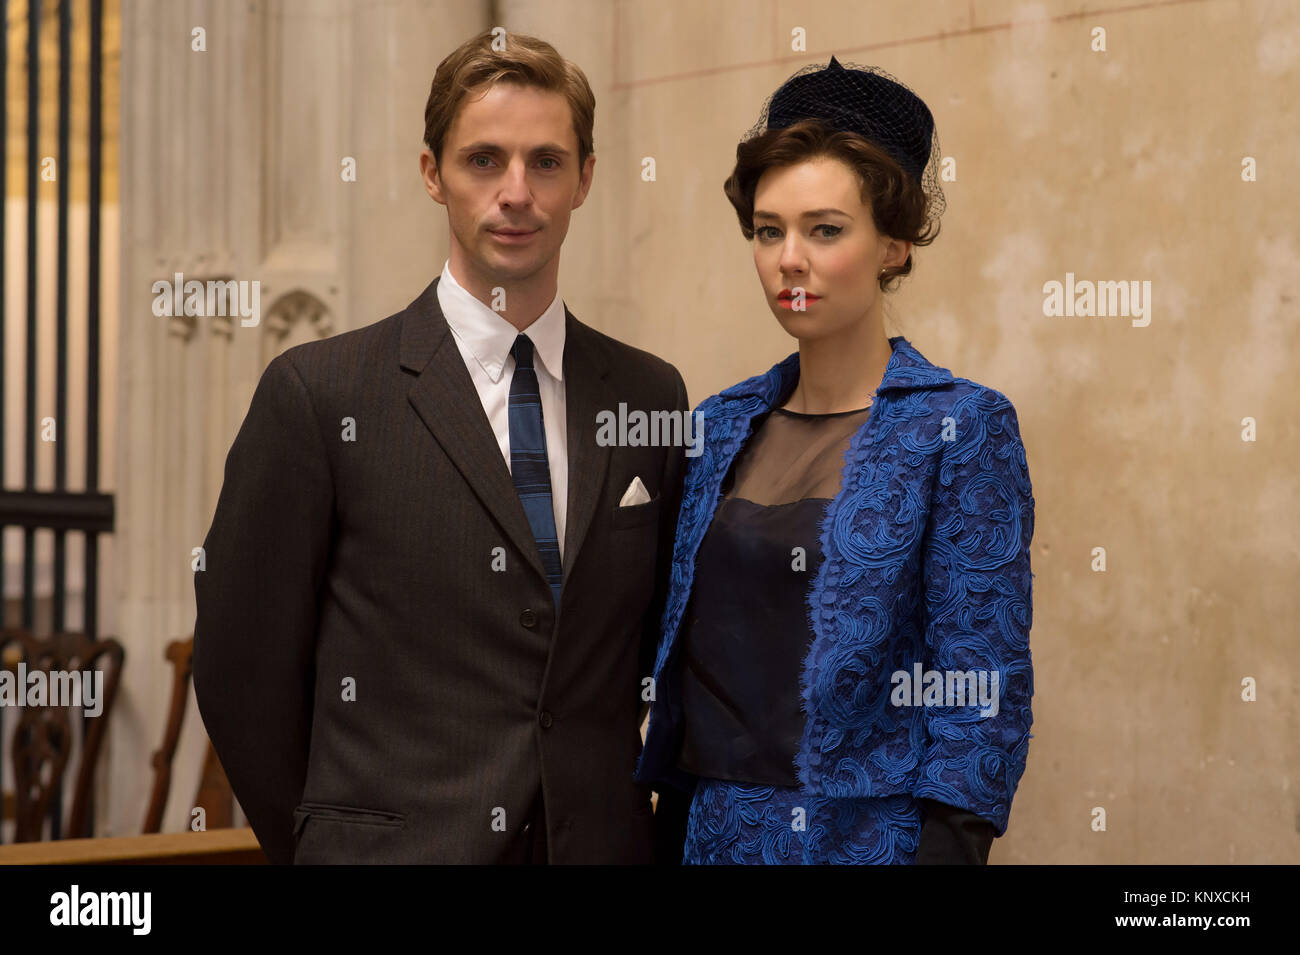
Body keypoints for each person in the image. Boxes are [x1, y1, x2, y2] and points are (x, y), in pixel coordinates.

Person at [193, 29, 689, 864]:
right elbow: (241, 671)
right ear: (433, 175)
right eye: (484, 160)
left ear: (586, 180)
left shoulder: (649, 396)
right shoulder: (321, 393)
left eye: (546, 162)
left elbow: (649, 653)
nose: (516, 193)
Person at [636, 57, 1036, 864]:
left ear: (893, 244)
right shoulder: (716, 426)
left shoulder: (959, 426)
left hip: (867, 842)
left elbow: (981, 689)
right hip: (706, 836)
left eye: (825, 229)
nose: (790, 258)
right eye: (767, 229)